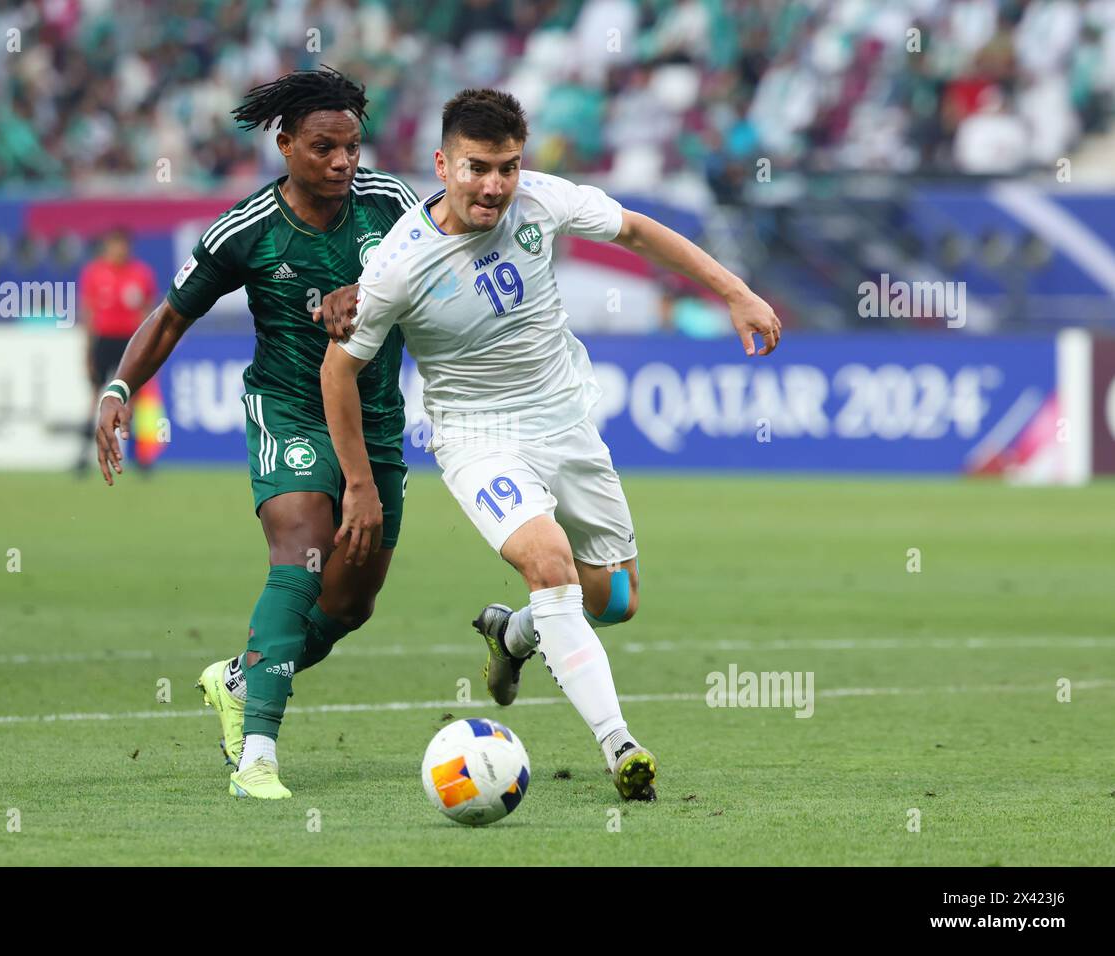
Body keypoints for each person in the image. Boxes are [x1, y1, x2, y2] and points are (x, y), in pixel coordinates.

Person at [320, 89, 781, 801]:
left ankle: (515, 637)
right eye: (477, 168)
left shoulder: (541, 200)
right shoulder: (398, 264)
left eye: (506, 167)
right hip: (480, 440)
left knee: (616, 597)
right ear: (442, 164)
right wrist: (357, 482)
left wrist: (734, 290)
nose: (494, 185)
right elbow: (338, 370)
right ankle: (620, 745)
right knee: (548, 563)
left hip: (566, 425)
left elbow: (634, 230)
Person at [94, 68, 417, 799]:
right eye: (324, 147)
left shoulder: (390, 205)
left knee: (350, 602)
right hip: (291, 411)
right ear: (285, 144)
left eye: (352, 147)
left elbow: (436, 268)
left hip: (376, 425)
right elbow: (173, 314)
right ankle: (258, 759)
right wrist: (119, 387)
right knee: (302, 555)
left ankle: (239, 678)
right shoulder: (248, 230)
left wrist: (366, 292)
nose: (342, 162)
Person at [79, 227, 157, 475]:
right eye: (114, 245)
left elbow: (148, 315)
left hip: (129, 342)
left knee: (131, 400)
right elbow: (88, 315)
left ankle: (137, 458)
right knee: (95, 399)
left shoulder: (141, 274)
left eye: (123, 245)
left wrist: (147, 350)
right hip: (103, 341)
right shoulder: (94, 273)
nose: (119, 250)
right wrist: (88, 352)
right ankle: (82, 455)